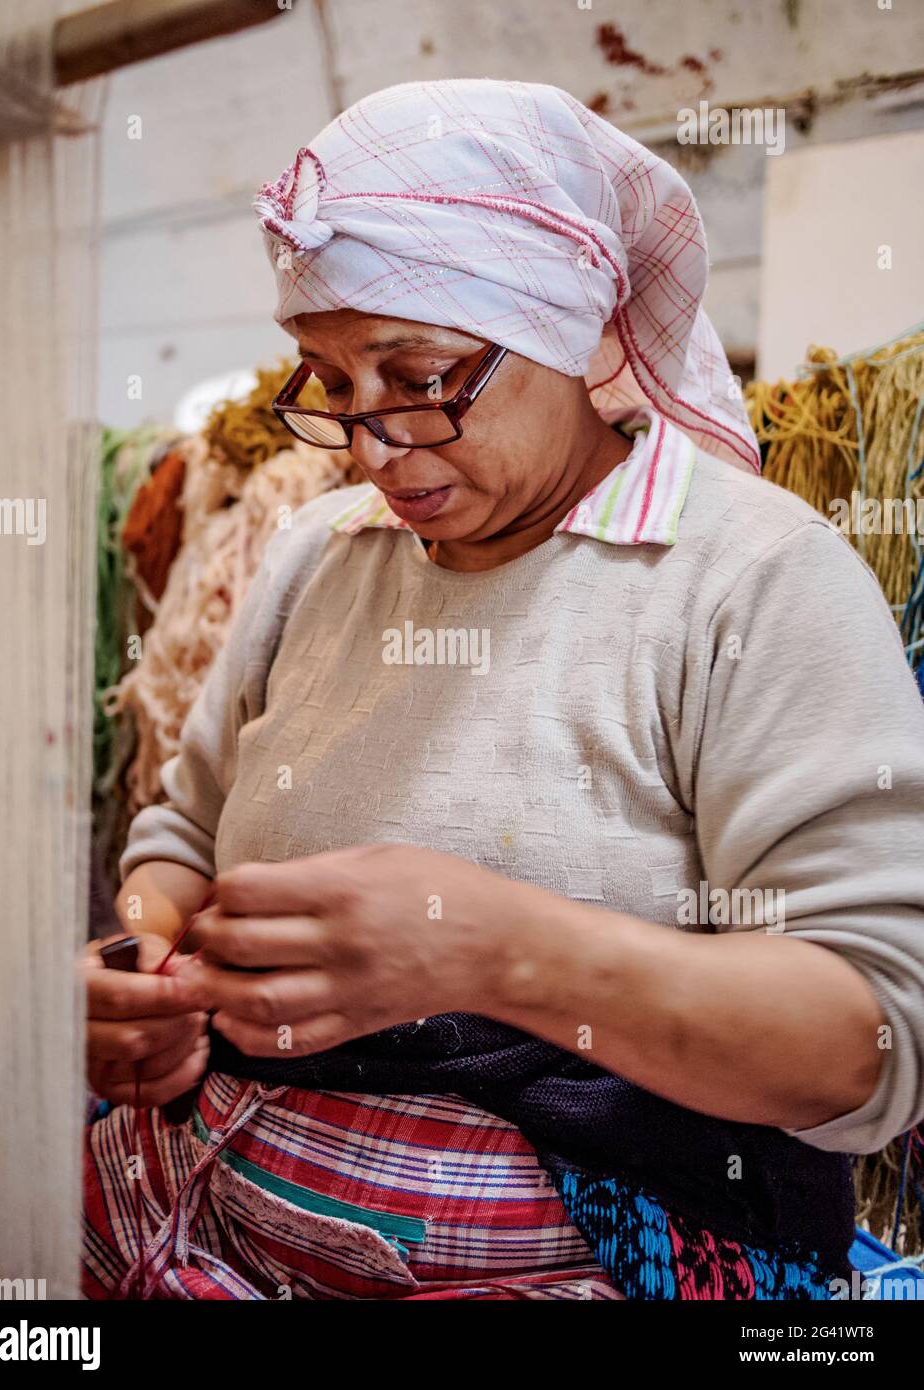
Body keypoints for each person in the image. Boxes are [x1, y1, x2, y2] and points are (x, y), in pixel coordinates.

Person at [81, 78, 924, 1301]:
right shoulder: (319, 556)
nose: (373, 447)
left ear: (578, 324)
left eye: (420, 374)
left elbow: (868, 1037)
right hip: (196, 1229)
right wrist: (135, 960)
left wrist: (491, 952)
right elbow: (183, 831)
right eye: (328, 383)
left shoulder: (751, 582)